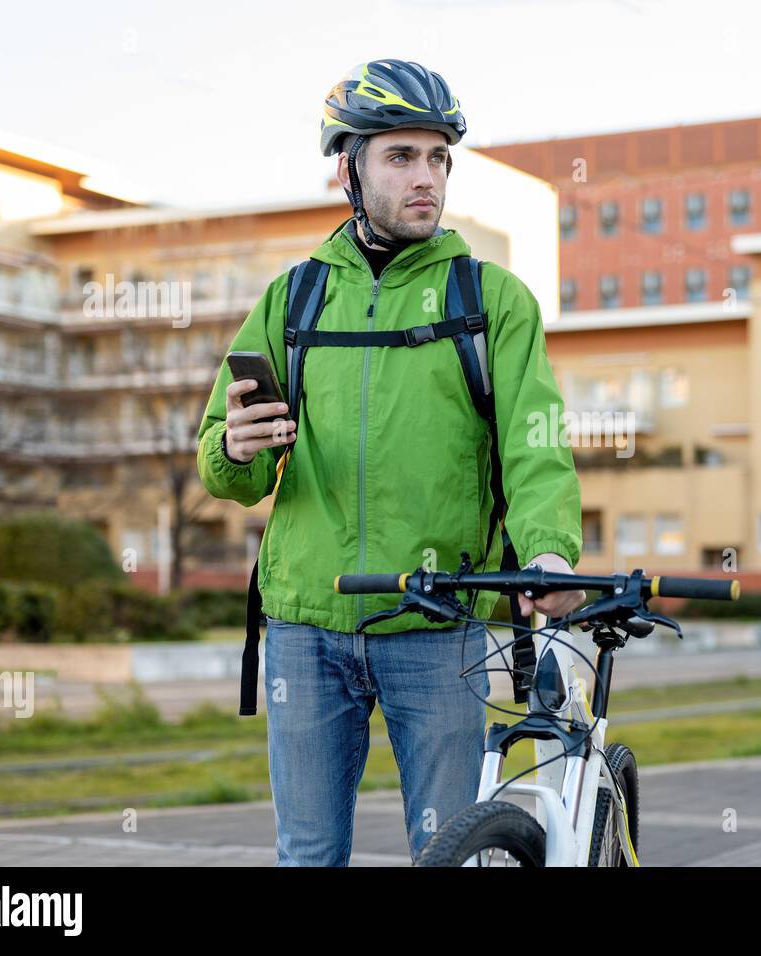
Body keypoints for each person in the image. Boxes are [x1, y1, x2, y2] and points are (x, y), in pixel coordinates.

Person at [195, 58, 586, 865]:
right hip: (305, 622)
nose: (426, 177)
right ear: (350, 167)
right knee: (307, 852)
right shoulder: (292, 298)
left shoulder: (489, 300)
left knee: (450, 852)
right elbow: (222, 463)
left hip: (438, 622)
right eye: (401, 156)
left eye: (438, 157)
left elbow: (535, 441)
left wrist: (549, 548)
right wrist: (234, 448)